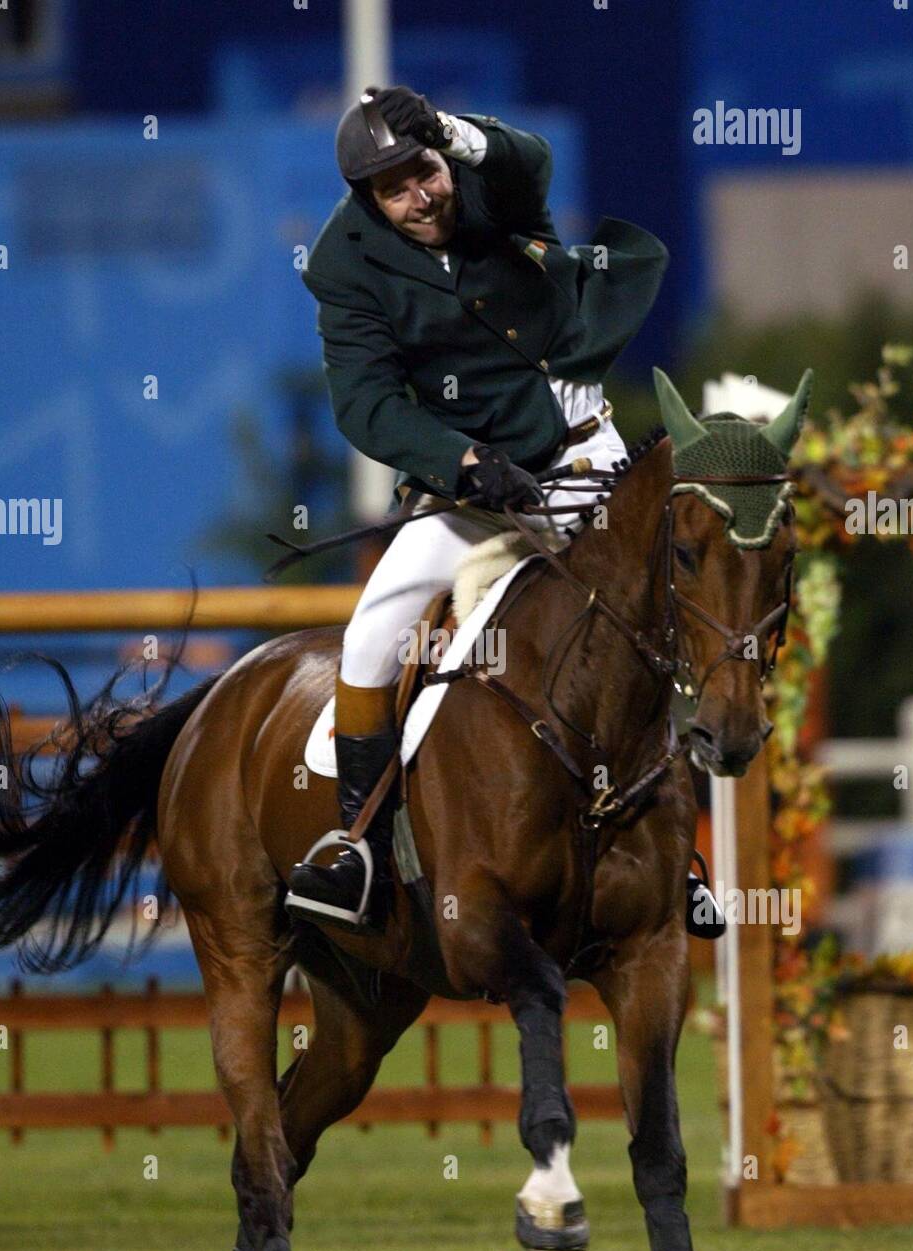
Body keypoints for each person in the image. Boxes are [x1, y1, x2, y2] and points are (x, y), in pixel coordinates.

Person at [287, 86, 719, 937]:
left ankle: (682, 848)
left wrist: (453, 135)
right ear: (366, 199)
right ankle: (358, 846)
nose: (424, 198)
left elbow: (531, 161)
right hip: (472, 480)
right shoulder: (342, 264)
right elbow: (366, 404)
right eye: (398, 189)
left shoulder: (485, 184)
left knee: (653, 610)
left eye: (428, 173)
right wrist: (463, 460)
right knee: (376, 628)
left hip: (582, 446)